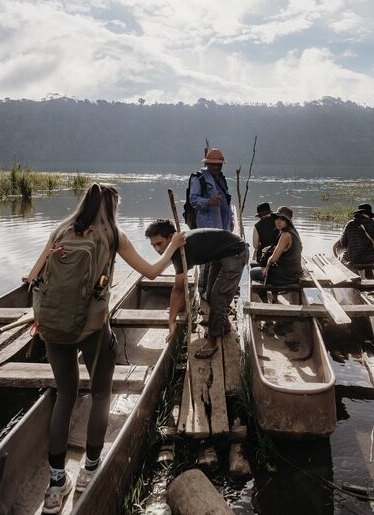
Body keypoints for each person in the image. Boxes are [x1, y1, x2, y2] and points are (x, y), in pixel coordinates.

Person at [25, 183, 185, 514]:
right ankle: (89, 470)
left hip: (53, 330)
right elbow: (153, 274)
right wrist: (173, 248)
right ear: (112, 207)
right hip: (93, 332)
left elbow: (32, 277)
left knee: (65, 396)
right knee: (100, 396)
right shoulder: (113, 235)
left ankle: (56, 484)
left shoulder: (60, 229)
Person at [145, 220, 248, 359]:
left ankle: (212, 340)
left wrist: (172, 320)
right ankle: (224, 325)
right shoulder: (178, 247)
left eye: (159, 243)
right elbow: (180, 288)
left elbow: (179, 289)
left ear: (171, 238)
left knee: (218, 296)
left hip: (235, 252)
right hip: (220, 253)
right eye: (153, 246)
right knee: (210, 295)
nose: (157, 249)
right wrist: (177, 310)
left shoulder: (181, 249)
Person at [187, 148, 234, 296]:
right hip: (206, 227)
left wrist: (231, 220)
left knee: (219, 260)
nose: (215, 167)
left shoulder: (221, 178)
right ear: (207, 164)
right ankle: (202, 293)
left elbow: (226, 200)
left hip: (222, 228)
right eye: (212, 164)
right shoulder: (199, 178)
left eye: (218, 164)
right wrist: (209, 202)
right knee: (206, 260)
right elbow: (193, 200)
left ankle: (214, 290)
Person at [250, 210, 302, 286]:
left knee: (253, 272)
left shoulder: (285, 235)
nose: (278, 222)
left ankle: (266, 296)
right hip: (295, 272)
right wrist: (272, 248)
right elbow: (289, 248)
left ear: (287, 221)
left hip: (286, 276)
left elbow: (273, 258)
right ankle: (274, 297)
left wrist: (267, 266)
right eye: (277, 219)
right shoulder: (294, 231)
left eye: (282, 219)